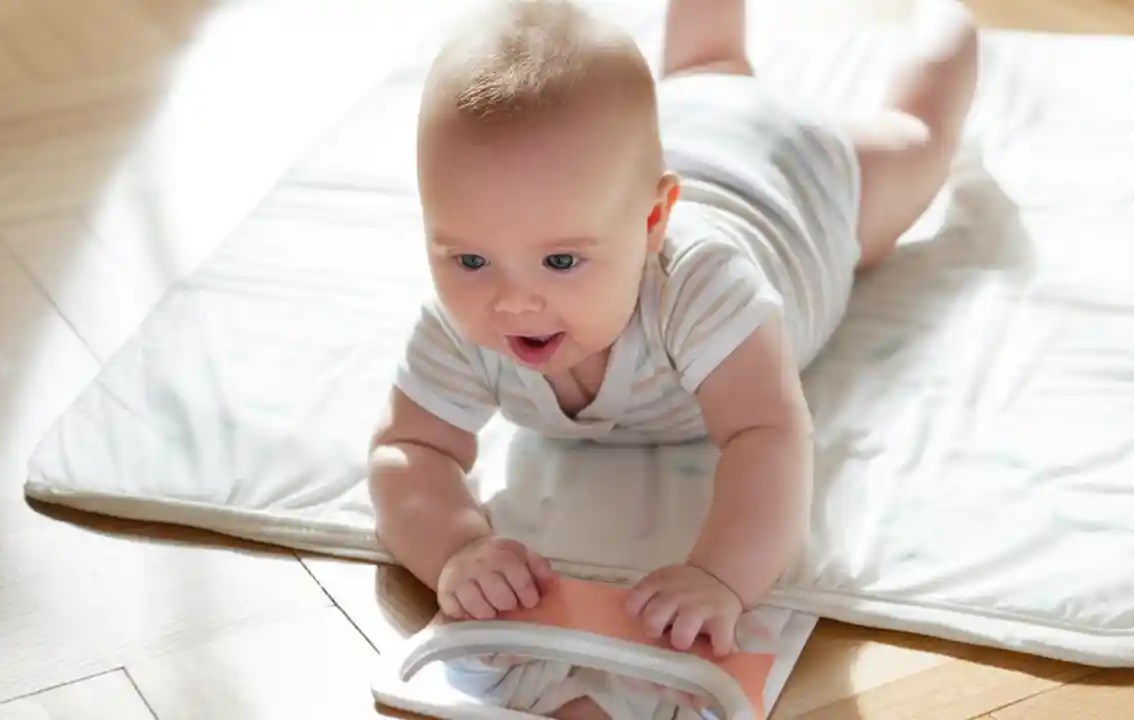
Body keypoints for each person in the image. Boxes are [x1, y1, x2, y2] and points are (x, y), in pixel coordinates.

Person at [369, 0, 978, 661]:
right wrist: (456, 548)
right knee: (705, 65)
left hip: (800, 183)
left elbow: (767, 434)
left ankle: (950, 27)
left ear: (654, 222)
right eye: (469, 259)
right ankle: (706, 73)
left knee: (920, 140)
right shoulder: (459, 321)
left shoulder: (703, 290)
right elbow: (407, 449)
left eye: (562, 261)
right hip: (680, 122)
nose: (514, 302)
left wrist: (721, 574)